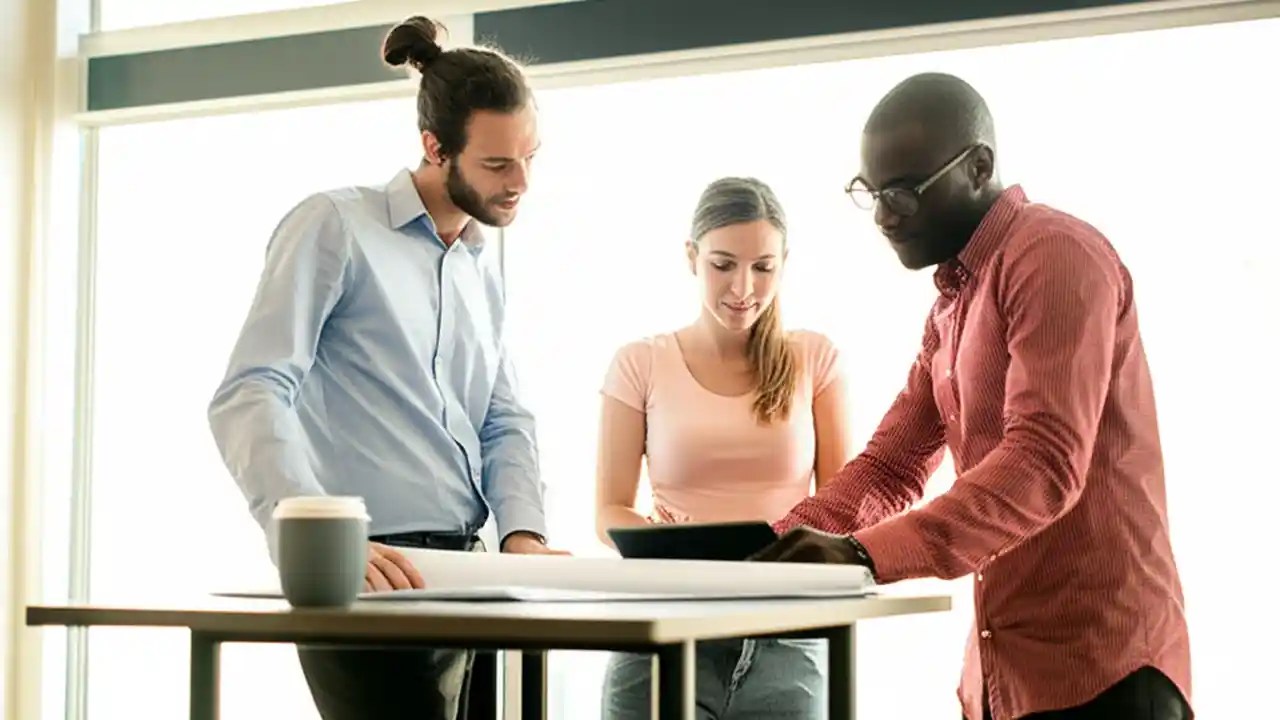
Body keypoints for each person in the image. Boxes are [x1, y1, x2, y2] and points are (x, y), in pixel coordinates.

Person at [751, 73, 1192, 720]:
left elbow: (1043, 463)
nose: (882, 215)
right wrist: (770, 548)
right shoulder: (952, 306)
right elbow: (892, 466)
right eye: (871, 193)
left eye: (902, 192)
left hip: (1104, 677)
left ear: (979, 165)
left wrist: (862, 555)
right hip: (1001, 680)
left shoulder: (1055, 256)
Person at [207, 16, 565, 720]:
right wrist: (317, 539)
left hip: (474, 571)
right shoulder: (334, 227)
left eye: (531, 157)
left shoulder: (479, 262)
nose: (521, 182)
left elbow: (502, 415)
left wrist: (524, 533)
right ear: (435, 148)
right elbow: (251, 391)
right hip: (371, 572)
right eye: (497, 164)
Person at [595, 176, 856, 719]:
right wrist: (675, 553)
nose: (743, 288)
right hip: (666, 629)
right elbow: (609, 510)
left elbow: (841, 505)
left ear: (785, 263)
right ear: (691, 257)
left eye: (763, 267)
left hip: (786, 634)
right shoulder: (639, 363)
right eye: (723, 264)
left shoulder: (815, 360)